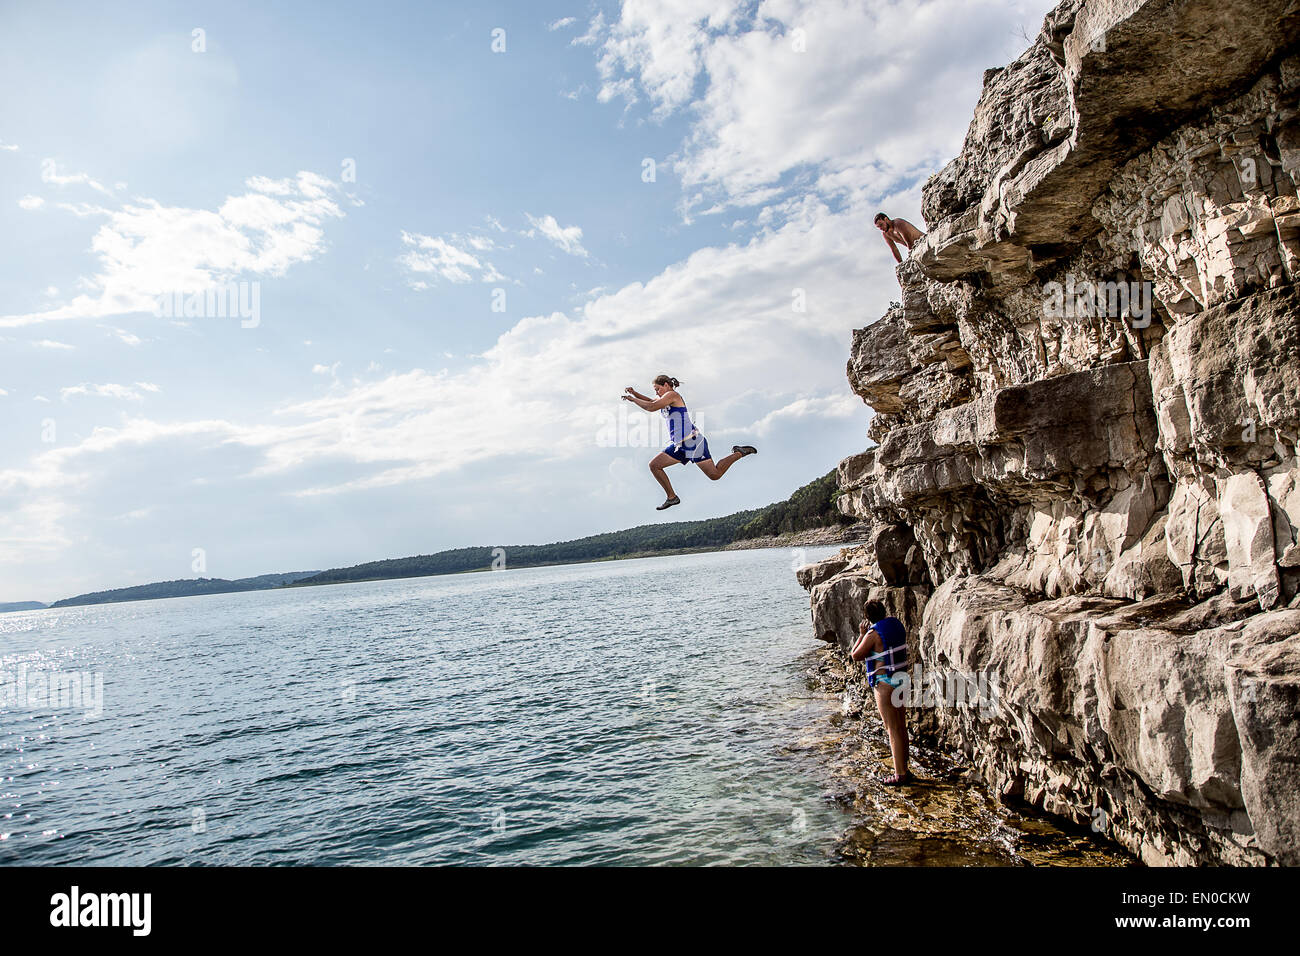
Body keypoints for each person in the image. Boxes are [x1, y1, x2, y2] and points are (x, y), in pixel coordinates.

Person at [621, 375, 757, 510]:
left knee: (714, 475)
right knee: (654, 465)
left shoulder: (672, 395)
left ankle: (739, 453)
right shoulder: (664, 398)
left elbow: (651, 406)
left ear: (666, 385)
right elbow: (651, 400)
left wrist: (633, 400)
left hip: (693, 442)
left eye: (657, 389)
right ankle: (672, 497)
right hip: (679, 446)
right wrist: (634, 393)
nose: (656, 392)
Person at [850, 599, 911, 785]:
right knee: (901, 725)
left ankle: (900, 774)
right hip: (901, 678)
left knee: (891, 729)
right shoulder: (896, 624)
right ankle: (905, 768)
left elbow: (856, 655)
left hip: (885, 683)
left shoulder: (873, 634)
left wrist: (861, 635)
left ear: (867, 617)